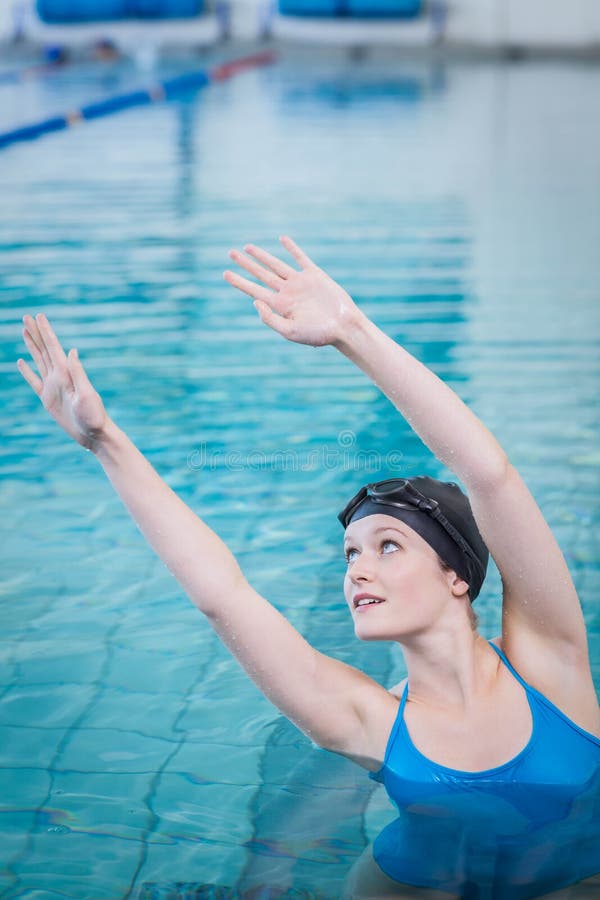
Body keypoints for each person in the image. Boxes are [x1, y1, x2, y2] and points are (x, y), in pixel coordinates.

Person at [17, 236, 600, 899]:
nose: (356, 571)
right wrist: (105, 443)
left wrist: (352, 332)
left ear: (456, 576)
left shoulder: (550, 664)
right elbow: (224, 596)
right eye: (350, 553)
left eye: (387, 546)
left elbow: (487, 475)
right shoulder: (368, 721)